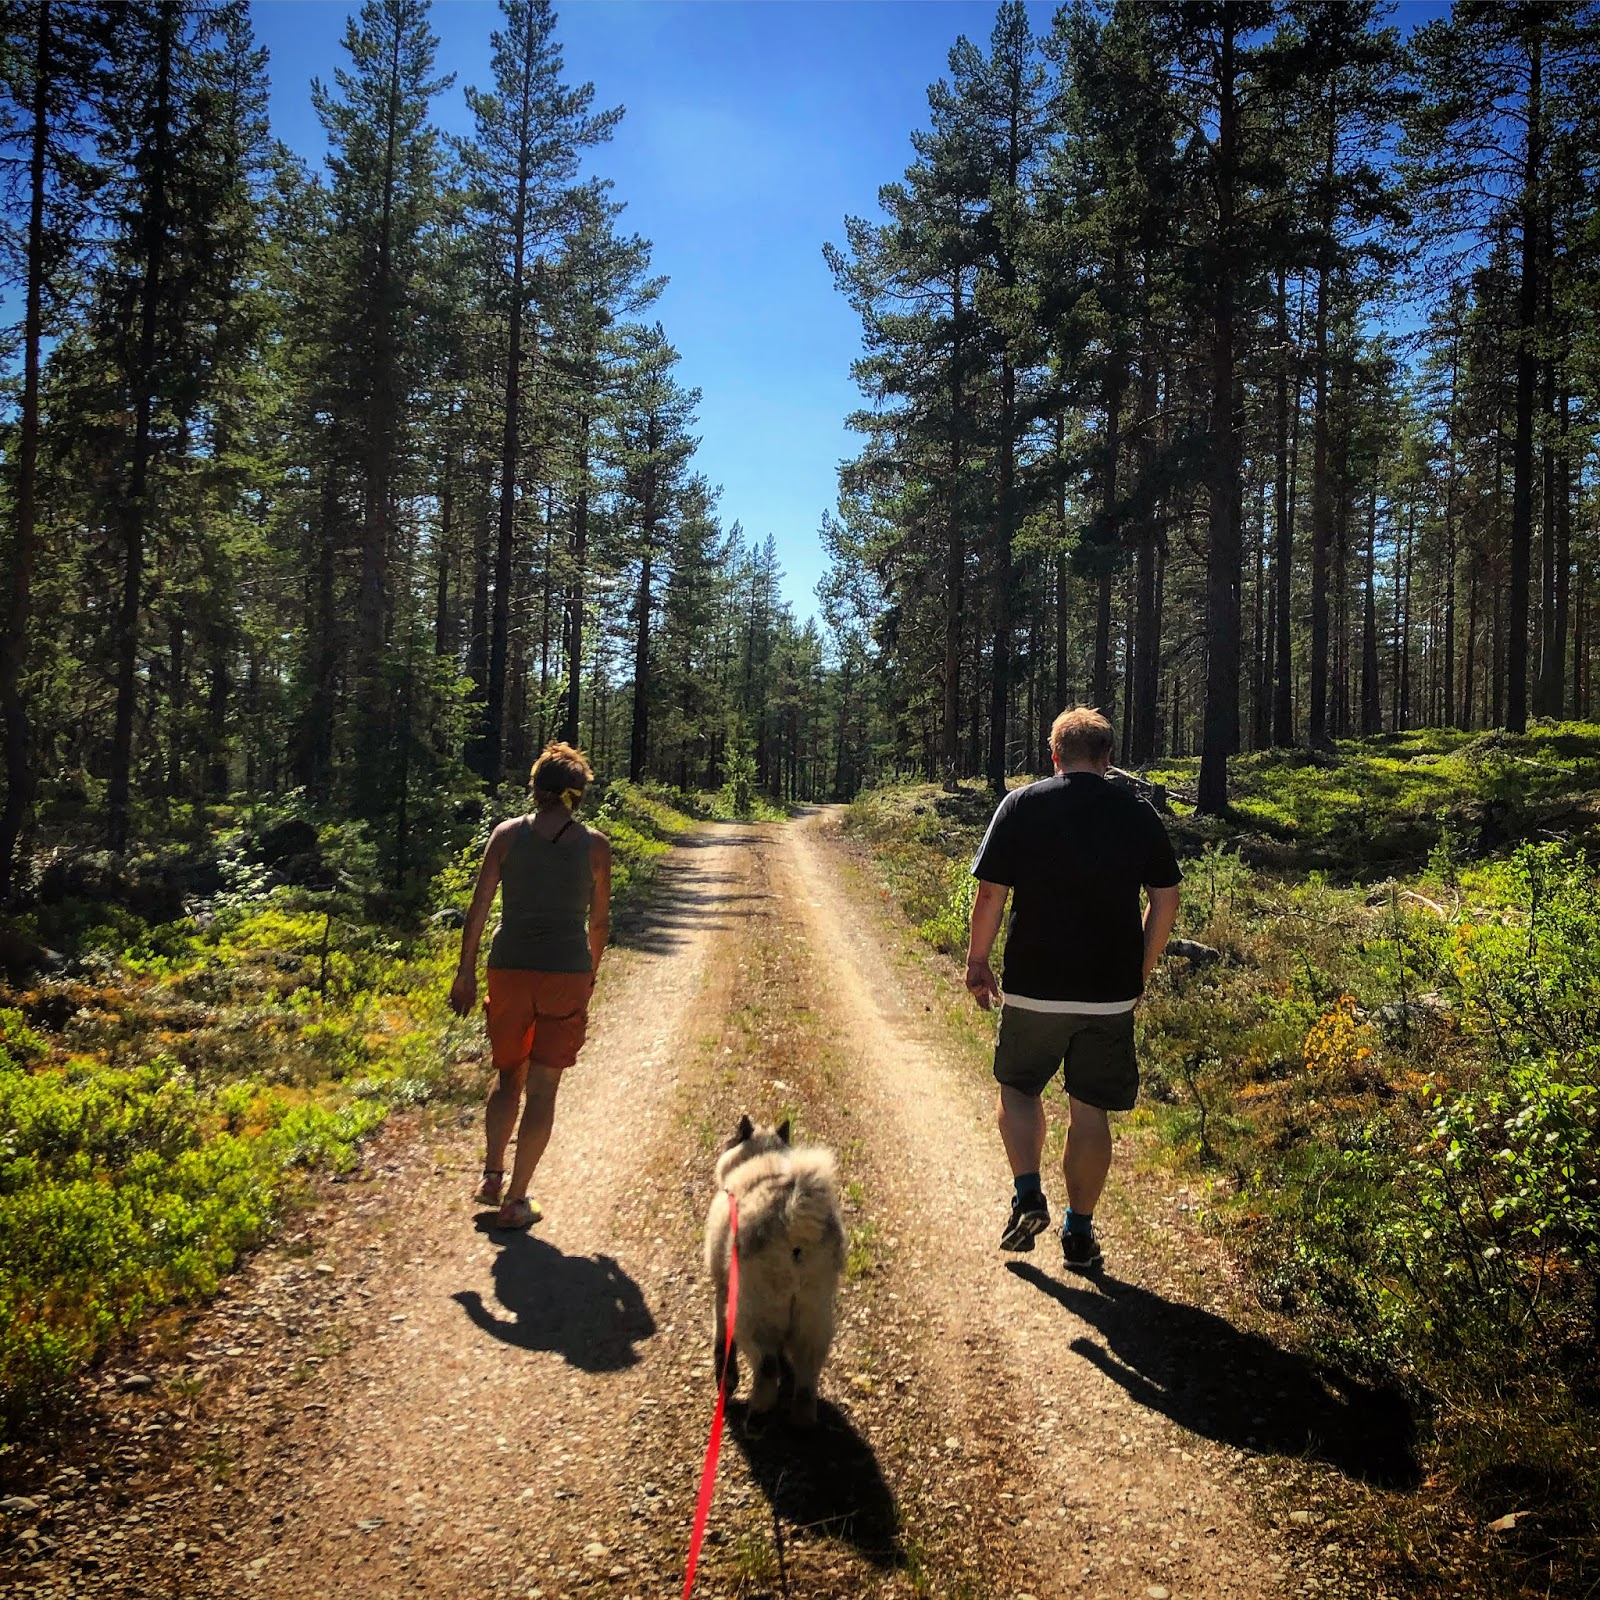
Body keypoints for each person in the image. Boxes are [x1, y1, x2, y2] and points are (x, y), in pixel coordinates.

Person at [965, 707, 1181, 1272]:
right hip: (1109, 992)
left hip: (1035, 986)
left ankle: (1028, 1193)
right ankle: (1079, 1234)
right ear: (1107, 760)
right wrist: (1142, 967)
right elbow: (1166, 899)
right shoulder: (1138, 813)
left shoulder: (1022, 804)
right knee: (1089, 1113)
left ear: (1054, 754)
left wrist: (978, 961)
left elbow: (991, 894)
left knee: (1017, 1088)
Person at [449, 742, 612, 1229]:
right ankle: (516, 1201)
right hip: (565, 971)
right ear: (575, 795)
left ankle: (492, 1175)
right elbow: (599, 922)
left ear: (536, 788)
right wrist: (591, 973)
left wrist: (465, 971)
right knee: (543, 1089)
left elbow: (478, 909)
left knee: (507, 1079)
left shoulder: (505, 835)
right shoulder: (595, 845)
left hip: (509, 966)